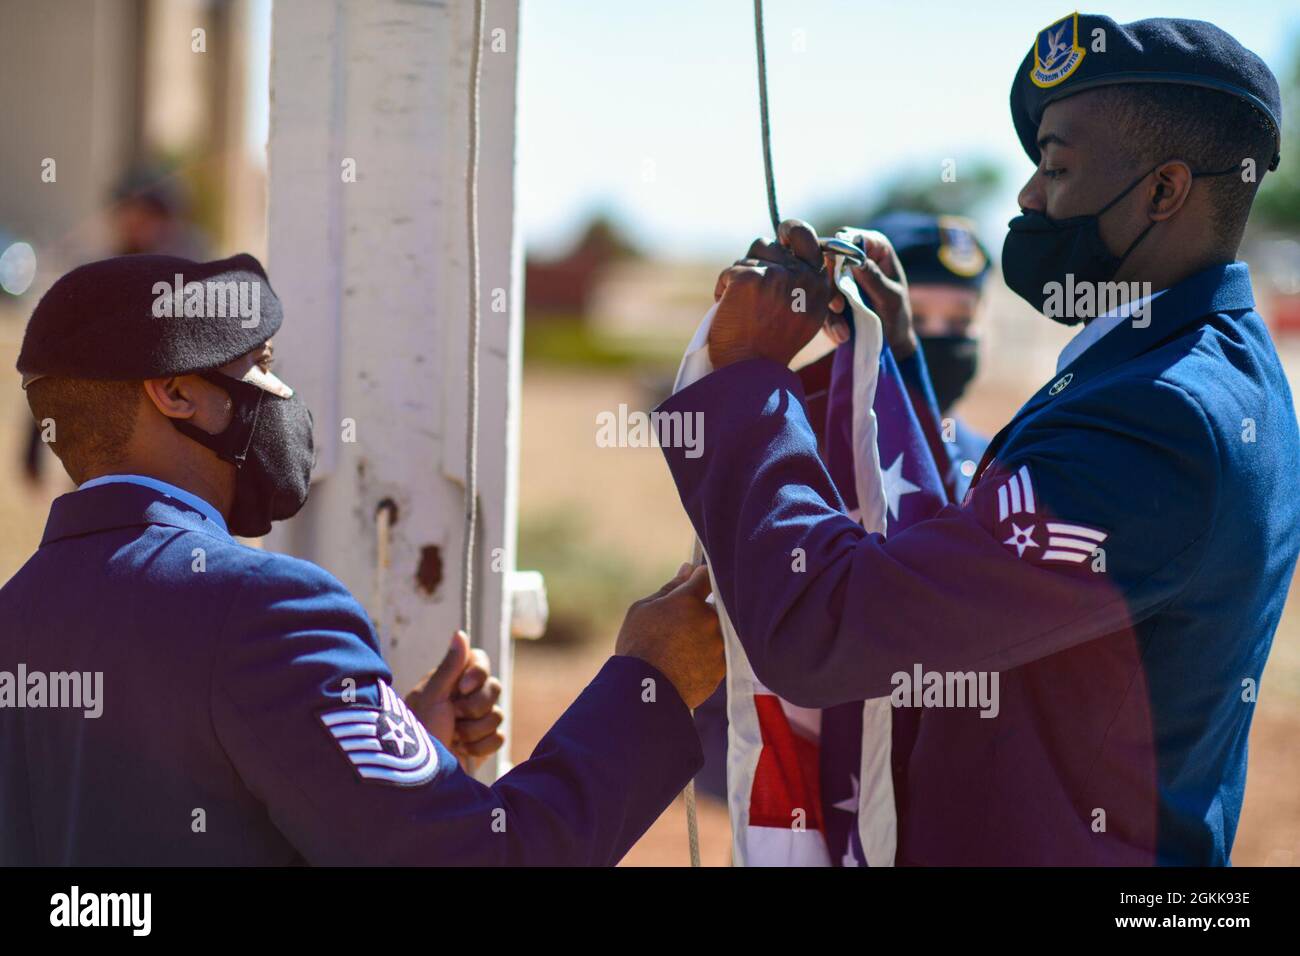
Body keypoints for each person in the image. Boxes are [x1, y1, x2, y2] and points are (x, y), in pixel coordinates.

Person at [656, 13, 1299, 864]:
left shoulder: (1161, 417)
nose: (1030, 198)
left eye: (1057, 166)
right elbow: (978, 566)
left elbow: (827, 630)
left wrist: (743, 383)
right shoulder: (1198, 368)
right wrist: (900, 366)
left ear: (1164, 191)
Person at [0, 252, 724, 865]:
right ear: (178, 391)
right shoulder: (261, 609)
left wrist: (367, 750)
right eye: (259, 365)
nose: (279, 395)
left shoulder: (17, 612)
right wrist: (653, 683)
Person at [870, 212, 992, 499]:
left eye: (960, 322)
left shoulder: (993, 468)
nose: (938, 339)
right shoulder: (814, 451)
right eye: (913, 321)